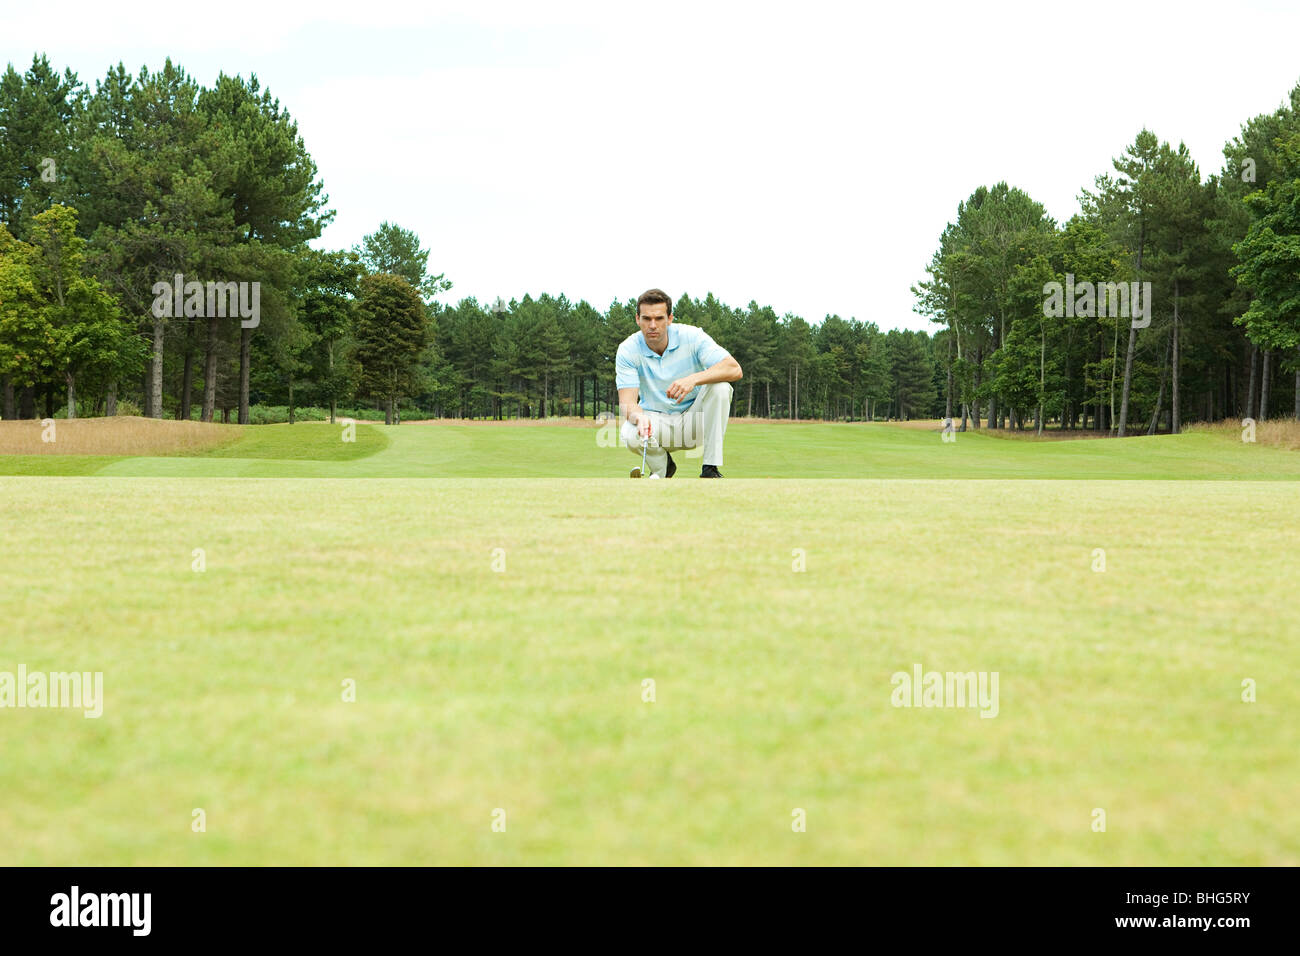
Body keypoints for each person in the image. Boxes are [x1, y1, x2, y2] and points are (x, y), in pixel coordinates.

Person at [616, 288, 743, 478]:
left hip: (695, 421)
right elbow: (627, 403)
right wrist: (638, 417)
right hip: (656, 423)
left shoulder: (692, 337)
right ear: (637, 319)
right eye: (646, 319)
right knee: (629, 431)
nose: (652, 325)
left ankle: (710, 468)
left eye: (659, 318)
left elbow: (734, 369)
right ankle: (662, 468)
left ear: (670, 319)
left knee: (721, 387)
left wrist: (693, 379)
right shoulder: (628, 350)